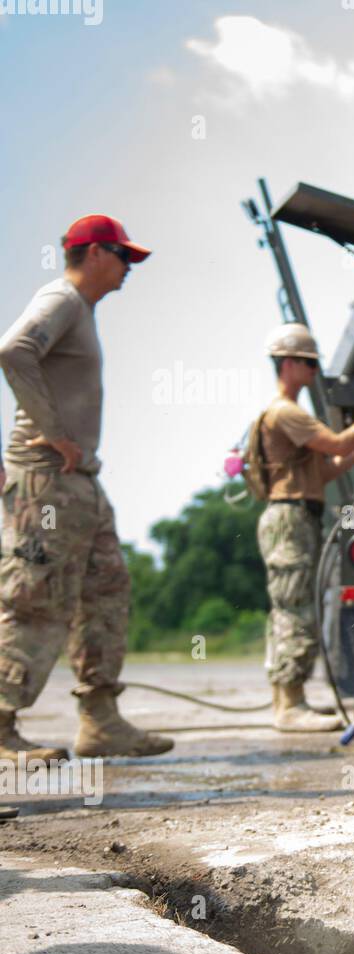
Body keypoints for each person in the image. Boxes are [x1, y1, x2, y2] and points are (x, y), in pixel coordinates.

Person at [0, 214, 173, 763]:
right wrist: (53, 432)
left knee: (105, 589)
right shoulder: (62, 300)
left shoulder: (82, 311)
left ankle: (100, 719)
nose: (129, 270)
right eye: (124, 258)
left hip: (80, 484)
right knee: (37, 596)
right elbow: (12, 350)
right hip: (46, 482)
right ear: (95, 253)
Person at [256, 323, 354, 732]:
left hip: (298, 514)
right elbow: (336, 444)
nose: (316, 370)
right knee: (295, 609)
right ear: (287, 364)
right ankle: (289, 706)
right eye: (309, 362)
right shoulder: (286, 412)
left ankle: (289, 699)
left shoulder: (292, 414)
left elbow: (328, 468)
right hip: (290, 517)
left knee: (293, 606)